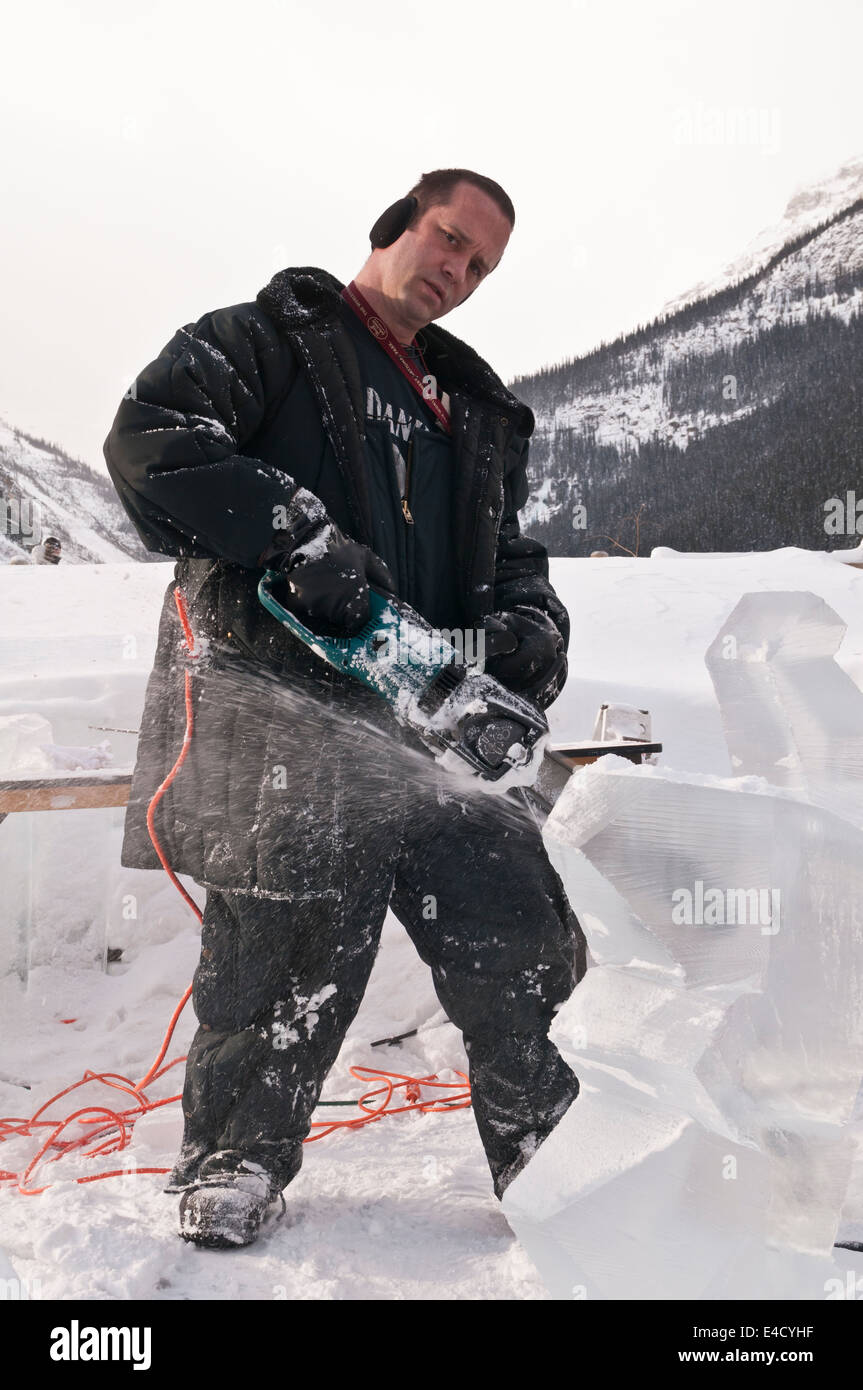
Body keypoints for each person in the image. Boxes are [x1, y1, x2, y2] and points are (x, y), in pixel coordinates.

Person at [104, 168, 586, 1249]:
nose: (454, 271)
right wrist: (293, 532)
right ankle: (233, 1158)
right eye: (445, 238)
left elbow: (511, 556)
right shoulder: (262, 342)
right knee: (278, 955)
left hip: (438, 731)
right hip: (285, 723)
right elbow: (148, 442)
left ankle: (559, 1159)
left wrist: (528, 629)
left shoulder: (474, 410)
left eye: (478, 265)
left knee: (517, 937)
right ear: (393, 225)